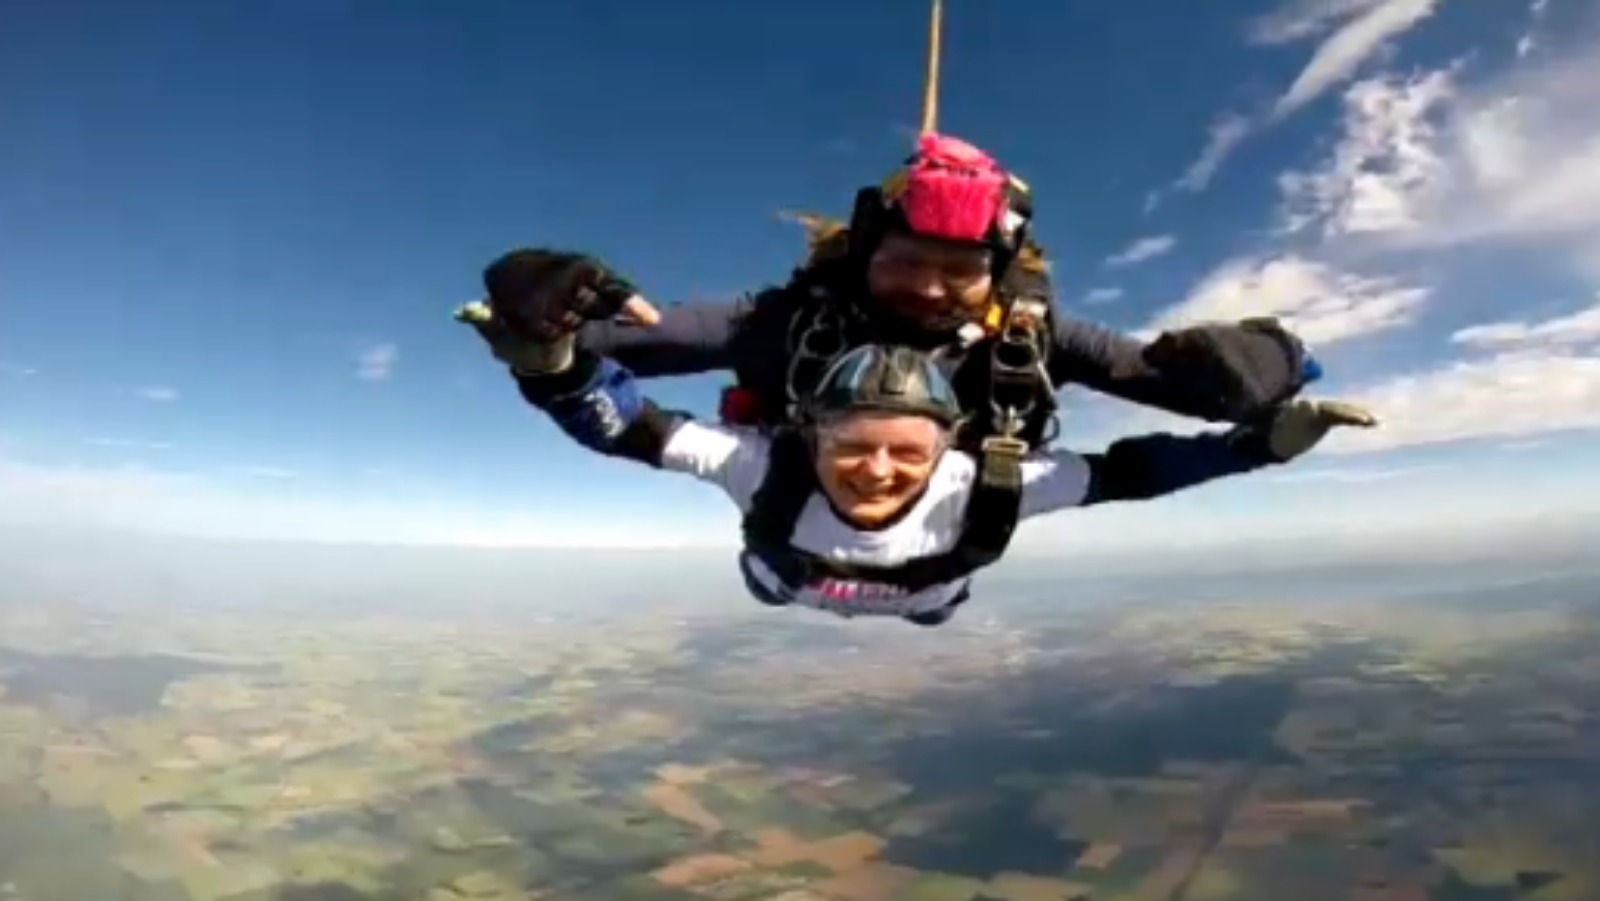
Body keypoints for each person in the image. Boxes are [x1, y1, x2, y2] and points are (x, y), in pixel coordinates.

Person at [469, 132, 1322, 456]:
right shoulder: (789, 322)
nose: (928, 286)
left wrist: (1271, 359)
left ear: (999, 276)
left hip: (949, 526)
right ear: (862, 254)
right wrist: (539, 315)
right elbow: (617, 351)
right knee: (778, 576)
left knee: (932, 589)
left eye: (960, 269)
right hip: (804, 511)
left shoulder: (1032, 335)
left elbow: (1172, 383)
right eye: (906, 260)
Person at [480, 334, 1376, 627]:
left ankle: (921, 602)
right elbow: (633, 428)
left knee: (932, 603)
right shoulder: (764, 463)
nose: (877, 468)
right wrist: (555, 368)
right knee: (806, 586)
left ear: (943, 448)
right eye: (854, 445)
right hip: (795, 582)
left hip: (917, 596)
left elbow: (1132, 472)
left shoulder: (983, 484)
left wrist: (1257, 446)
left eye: (906, 452)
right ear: (810, 435)